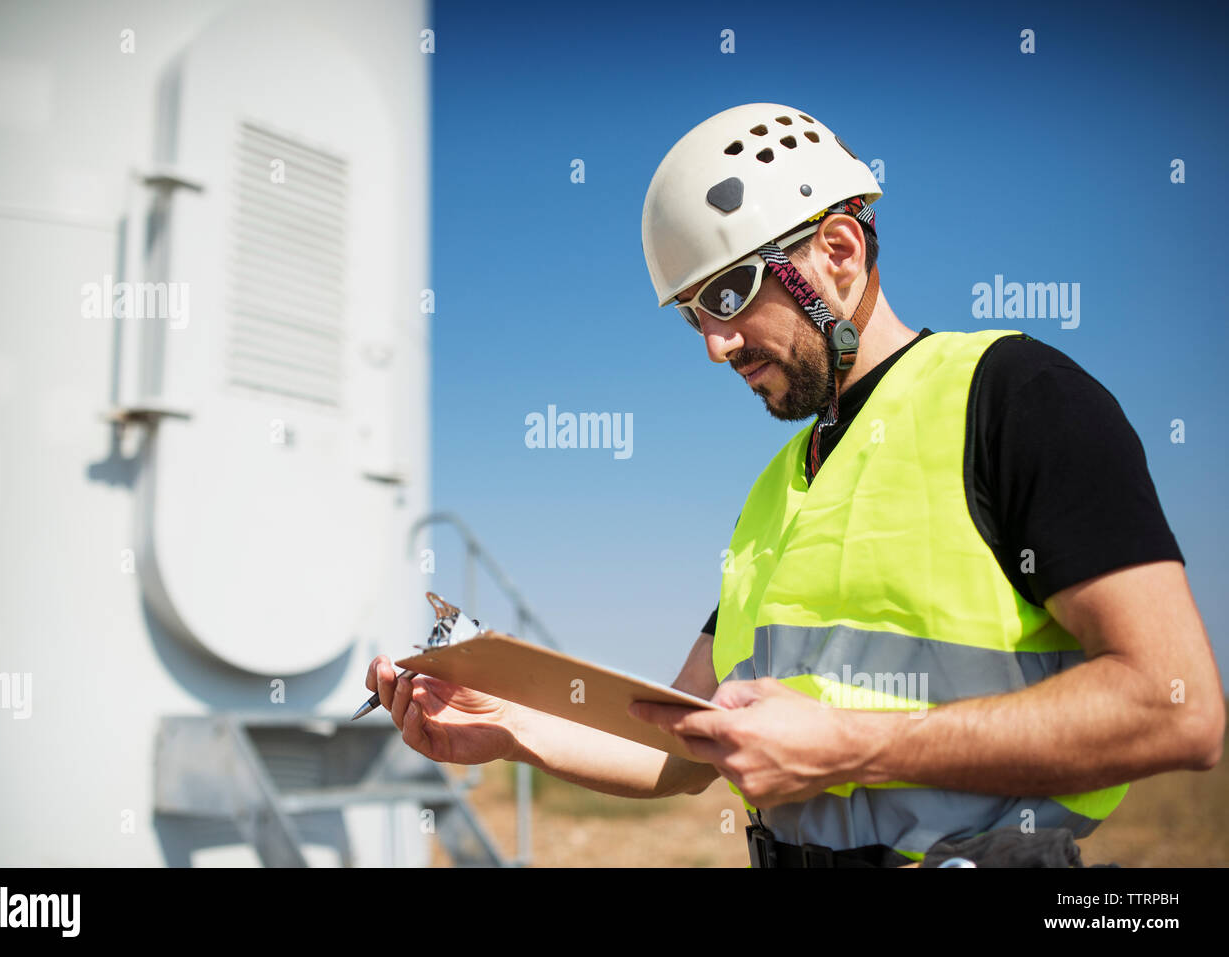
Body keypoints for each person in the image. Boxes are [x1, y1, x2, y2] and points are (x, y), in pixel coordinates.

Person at [366, 103, 1223, 867]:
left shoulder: (1016, 397)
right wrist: (509, 724)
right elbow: (686, 743)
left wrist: (851, 745)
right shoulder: (777, 490)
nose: (716, 344)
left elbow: (1177, 707)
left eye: (731, 292)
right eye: (696, 314)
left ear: (839, 251)